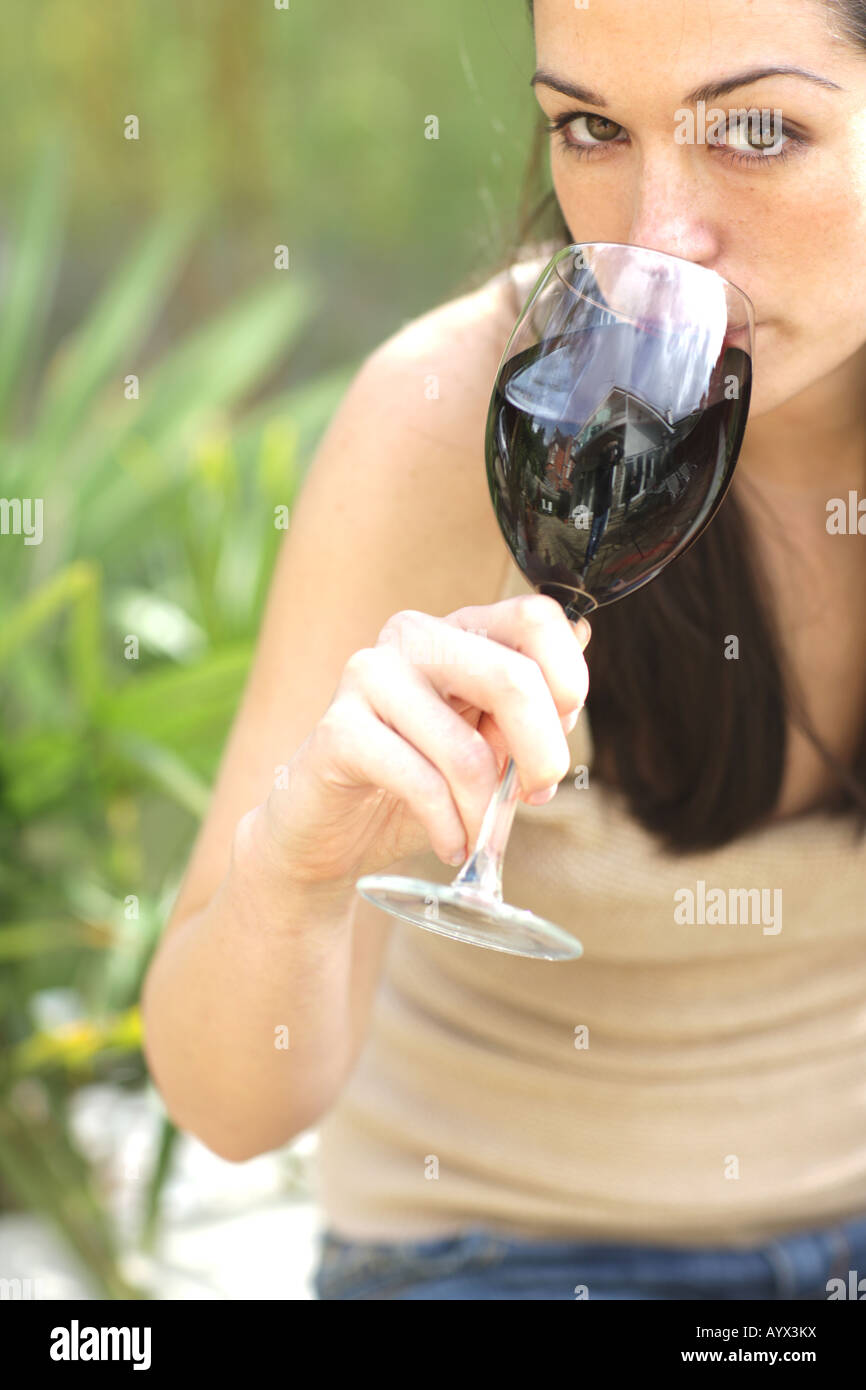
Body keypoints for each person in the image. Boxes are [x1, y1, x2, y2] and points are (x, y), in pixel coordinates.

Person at [141, 0, 866, 1300]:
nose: (652, 239)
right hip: (509, 1255)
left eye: (755, 130)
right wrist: (294, 873)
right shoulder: (457, 414)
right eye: (588, 127)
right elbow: (230, 1108)